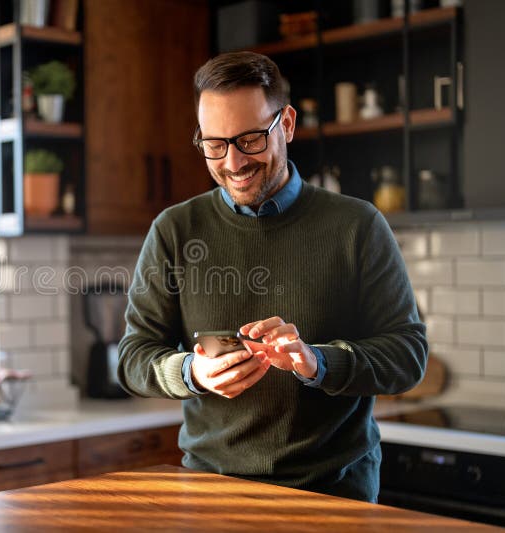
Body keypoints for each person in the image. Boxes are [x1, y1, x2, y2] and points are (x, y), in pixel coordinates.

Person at [116, 51, 428, 503]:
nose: (233, 162)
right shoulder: (175, 230)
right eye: (214, 144)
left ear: (286, 124)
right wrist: (191, 372)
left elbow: (408, 355)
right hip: (211, 494)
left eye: (249, 140)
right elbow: (132, 357)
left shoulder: (357, 225)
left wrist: (316, 362)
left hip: (334, 496)